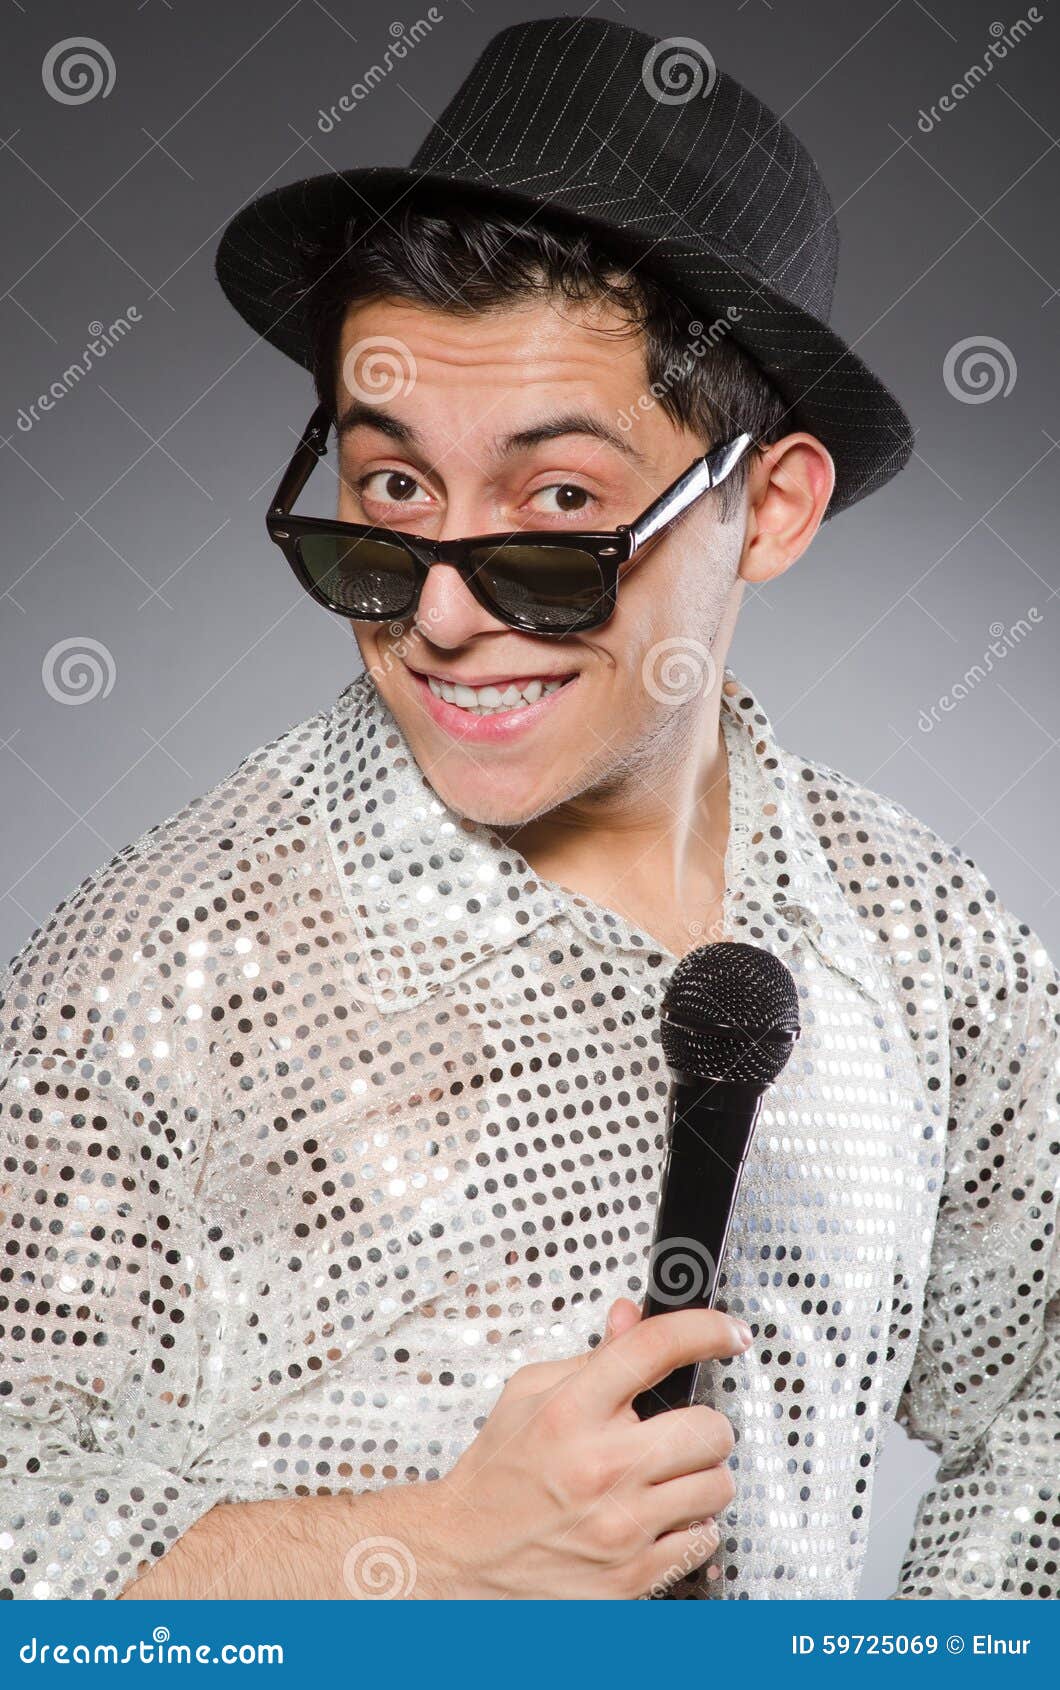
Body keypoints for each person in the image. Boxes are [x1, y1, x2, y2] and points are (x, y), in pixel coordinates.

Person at [1, 17, 1056, 1603]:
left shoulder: (924, 936)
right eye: (394, 494)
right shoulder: (167, 962)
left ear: (768, 507)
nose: (437, 616)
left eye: (558, 506)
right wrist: (428, 1553)